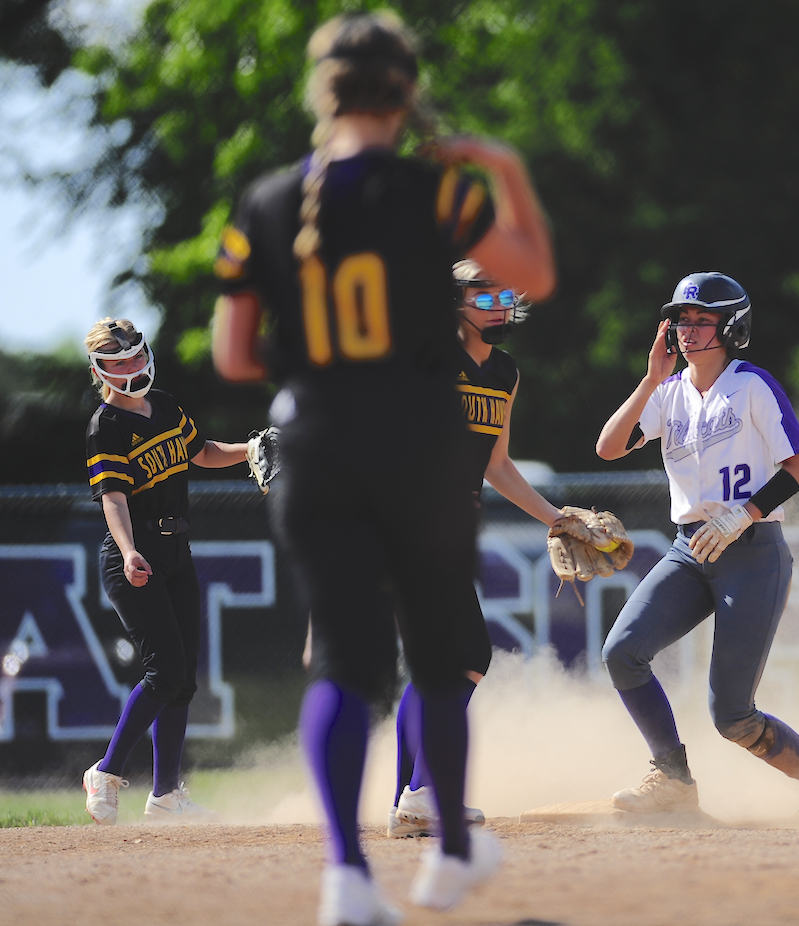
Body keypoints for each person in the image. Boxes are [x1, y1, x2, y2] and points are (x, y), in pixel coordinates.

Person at [211, 11, 555, 926]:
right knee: (442, 664)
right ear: (406, 94)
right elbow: (534, 275)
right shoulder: (434, 195)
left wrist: (319, 369)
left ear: (321, 93)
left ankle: (346, 881)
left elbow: (237, 359)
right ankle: (447, 856)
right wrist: (504, 170)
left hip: (314, 448)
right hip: (414, 445)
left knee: (343, 671)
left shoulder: (265, 201)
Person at [595, 271, 799, 817]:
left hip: (753, 551)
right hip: (690, 549)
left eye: (702, 320)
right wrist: (649, 379)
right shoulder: (667, 394)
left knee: (732, 715)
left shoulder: (751, 384)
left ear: (731, 326)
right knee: (622, 652)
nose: (687, 330)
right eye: (681, 320)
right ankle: (672, 778)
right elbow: (610, 447)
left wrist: (746, 513)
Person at [388, 258, 564, 839]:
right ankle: (423, 792)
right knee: (470, 655)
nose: (498, 302)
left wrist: (559, 519)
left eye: (502, 293)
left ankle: (408, 802)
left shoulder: (505, 372)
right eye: (482, 294)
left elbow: (498, 465)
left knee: (435, 666)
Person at [82, 317, 250, 825]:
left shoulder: (169, 404)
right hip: (133, 556)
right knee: (165, 671)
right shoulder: (105, 426)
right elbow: (112, 498)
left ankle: (166, 796)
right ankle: (105, 773)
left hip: (176, 552)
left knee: (183, 681)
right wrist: (130, 550)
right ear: (100, 369)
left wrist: (250, 450)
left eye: (136, 355)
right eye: (119, 361)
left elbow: (201, 452)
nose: (131, 366)